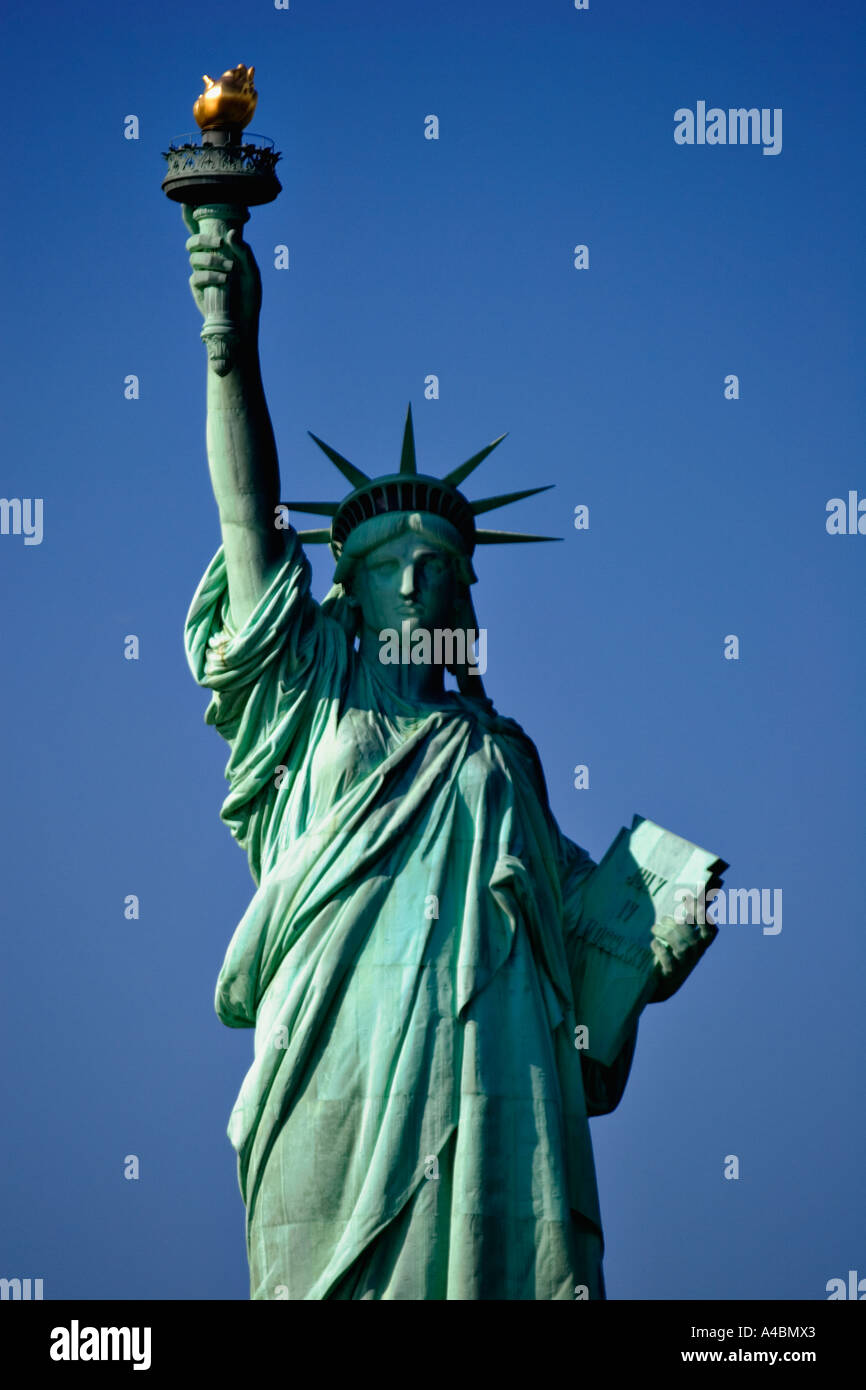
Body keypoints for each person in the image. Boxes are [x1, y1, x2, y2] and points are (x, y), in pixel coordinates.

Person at [181, 213, 712, 1300]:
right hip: (336, 1058)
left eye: (442, 566)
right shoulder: (311, 694)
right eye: (394, 566)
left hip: (493, 1079)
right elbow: (247, 518)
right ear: (352, 590)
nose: (423, 584)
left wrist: (655, 910)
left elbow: (564, 920)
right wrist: (228, 349)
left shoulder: (500, 754)